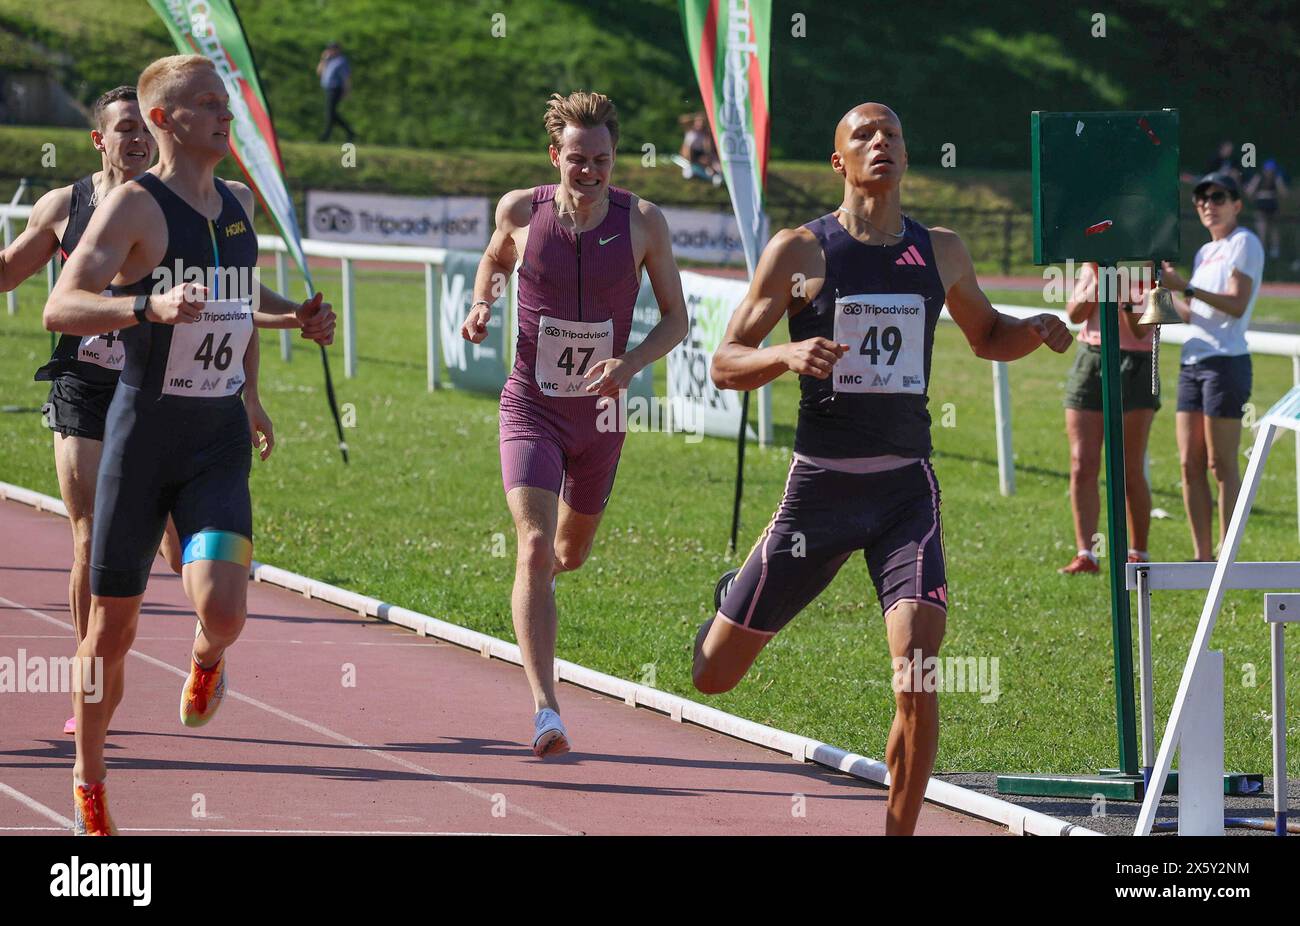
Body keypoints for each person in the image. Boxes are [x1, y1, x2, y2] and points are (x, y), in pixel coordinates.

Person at [695, 103, 1070, 835]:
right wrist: (786, 354)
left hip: (905, 493)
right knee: (714, 675)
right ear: (839, 161)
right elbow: (724, 362)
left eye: (893, 134)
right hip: (820, 494)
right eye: (864, 136)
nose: (881, 144)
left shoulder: (940, 250)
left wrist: (1037, 330)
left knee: (918, 673)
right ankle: (734, 591)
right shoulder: (801, 252)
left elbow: (988, 334)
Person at [44, 54, 335, 835]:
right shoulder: (134, 209)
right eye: (207, 103)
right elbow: (64, 307)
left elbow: (235, 298)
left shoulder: (237, 202)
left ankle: (206, 660)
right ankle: (89, 777)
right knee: (112, 628)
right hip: (142, 440)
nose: (224, 112)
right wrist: (147, 306)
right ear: (167, 120)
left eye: (225, 100)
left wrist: (291, 320)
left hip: (214, 439)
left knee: (225, 608)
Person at [461, 91, 688, 758]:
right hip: (531, 406)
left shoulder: (643, 222)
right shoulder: (520, 211)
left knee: (568, 555)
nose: (589, 172)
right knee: (533, 546)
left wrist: (631, 363)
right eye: (577, 159)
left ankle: (537, 601)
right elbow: (496, 263)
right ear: (554, 155)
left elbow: (677, 319)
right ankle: (545, 711)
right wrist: (482, 306)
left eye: (603, 161)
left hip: (605, 413)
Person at [0, 86, 179, 737]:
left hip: (157, 389)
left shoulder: (172, 206)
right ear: (98, 140)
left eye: (144, 130)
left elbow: (226, 295)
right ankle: (92, 680)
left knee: (185, 556)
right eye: (123, 129)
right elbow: (7, 274)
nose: (136, 140)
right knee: (89, 537)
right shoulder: (64, 206)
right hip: (82, 386)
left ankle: (205, 644)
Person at [1160, 173, 1265, 562]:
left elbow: (1236, 304)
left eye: (1217, 197)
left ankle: (1227, 555)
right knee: (1189, 464)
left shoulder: (1244, 243)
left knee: (1220, 463)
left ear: (1237, 204)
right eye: (1200, 199)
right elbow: (1194, 314)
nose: (1208, 204)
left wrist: (1184, 285)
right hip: (1192, 361)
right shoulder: (1205, 253)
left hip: (1226, 363)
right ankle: (1202, 556)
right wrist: (1165, 292)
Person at [1059, 261, 1159, 574]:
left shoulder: (1151, 262)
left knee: (1130, 467)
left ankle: (1137, 553)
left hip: (1136, 363)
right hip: (1091, 360)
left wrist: (1123, 297)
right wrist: (1101, 281)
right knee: (1081, 463)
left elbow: (1142, 329)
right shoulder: (1094, 260)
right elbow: (1074, 315)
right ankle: (1086, 554)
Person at [1245, 160, 1288, 260]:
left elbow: (1284, 193)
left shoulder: (1276, 178)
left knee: (1274, 230)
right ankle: (1261, 252)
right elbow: (1249, 192)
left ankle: (1275, 253)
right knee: (1262, 231)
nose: (1269, 172)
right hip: (1261, 207)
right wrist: (1259, 195)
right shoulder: (1258, 178)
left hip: (1273, 207)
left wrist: (1274, 191)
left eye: (1271, 170)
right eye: (1268, 170)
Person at [316, 41, 355, 143]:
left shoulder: (341, 61)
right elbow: (319, 72)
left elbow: (346, 78)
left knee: (330, 113)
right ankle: (350, 131)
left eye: (332, 49)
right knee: (332, 113)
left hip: (336, 89)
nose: (329, 51)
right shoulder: (328, 60)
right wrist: (323, 59)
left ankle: (326, 135)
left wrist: (347, 91)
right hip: (328, 89)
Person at [679, 113, 721, 184]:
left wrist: (708, 161)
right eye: (698, 121)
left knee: (716, 168)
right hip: (693, 157)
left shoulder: (706, 134)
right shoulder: (691, 131)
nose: (700, 123)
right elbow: (682, 120)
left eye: (702, 121)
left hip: (702, 155)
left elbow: (708, 150)